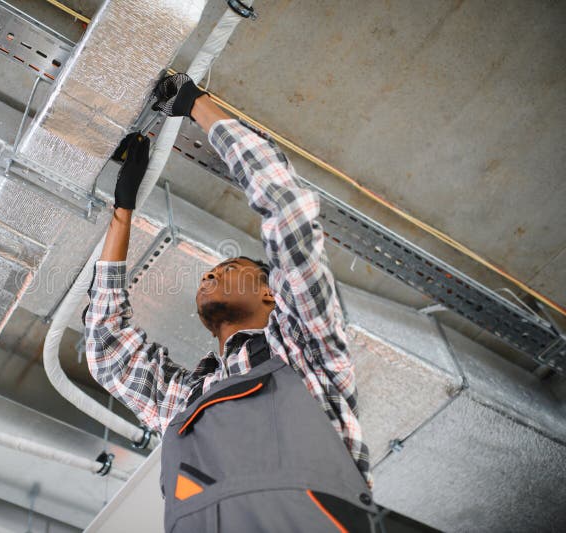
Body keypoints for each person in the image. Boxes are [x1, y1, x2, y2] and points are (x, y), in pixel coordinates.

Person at [84, 73, 380, 532]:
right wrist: (122, 212)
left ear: (271, 292)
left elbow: (288, 210)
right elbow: (109, 352)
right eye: (212, 271)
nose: (209, 273)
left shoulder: (305, 348)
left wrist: (195, 103)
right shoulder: (184, 399)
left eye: (229, 268)